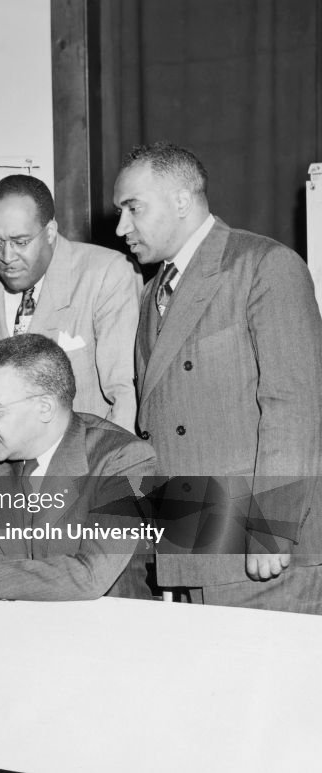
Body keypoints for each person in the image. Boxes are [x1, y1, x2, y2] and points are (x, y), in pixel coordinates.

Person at [113, 142, 322, 613]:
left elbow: (295, 407)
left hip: (261, 553)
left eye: (133, 208)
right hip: (192, 545)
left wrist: (273, 527)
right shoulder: (152, 292)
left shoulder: (264, 266)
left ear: (182, 200)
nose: (122, 226)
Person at [0, 334, 157, 601]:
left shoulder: (125, 460)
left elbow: (90, 576)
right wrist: (42, 577)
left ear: (45, 408)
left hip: (103, 633)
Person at [0, 175, 140, 431]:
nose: (6, 257)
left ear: (51, 232)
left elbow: (126, 395)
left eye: (20, 242)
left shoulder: (107, 274)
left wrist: (112, 467)